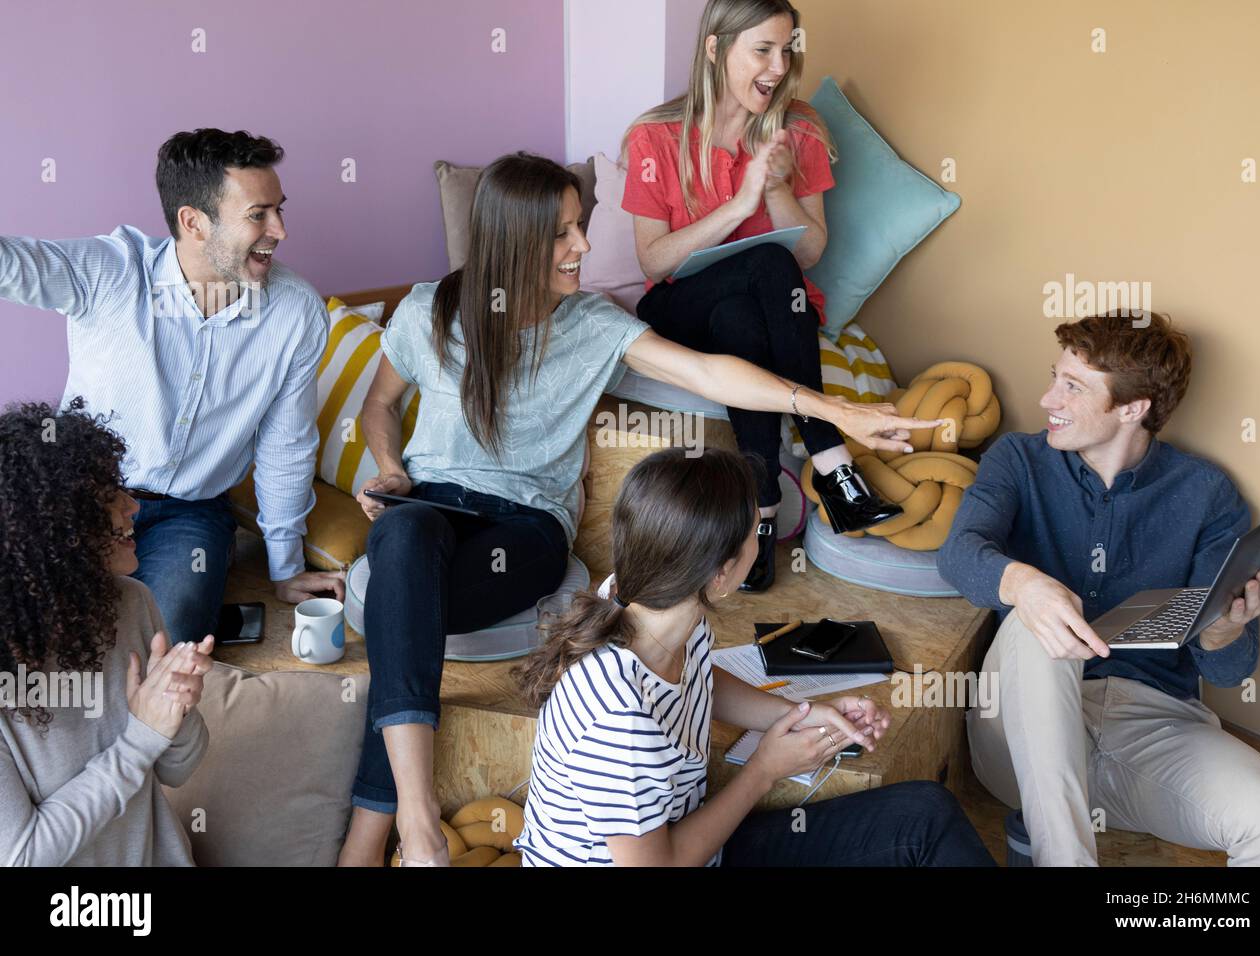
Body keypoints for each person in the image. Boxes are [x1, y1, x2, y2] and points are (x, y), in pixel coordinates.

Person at [336, 152, 938, 867]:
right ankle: (411, 816)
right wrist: (390, 468)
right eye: (562, 234)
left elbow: (709, 372)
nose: (583, 247)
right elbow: (379, 404)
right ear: (514, 240)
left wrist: (831, 411)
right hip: (430, 510)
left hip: (524, 527)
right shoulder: (427, 309)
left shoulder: (590, 323)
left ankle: (377, 834)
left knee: (399, 605)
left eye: (579, 228)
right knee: (402, 542)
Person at [512, 447, 994, 866]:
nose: (762, 538)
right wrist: (764, 770)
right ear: (721, 575)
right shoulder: (617, 717)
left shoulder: (645, 596)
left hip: (697, 848)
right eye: (755, 532)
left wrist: (800, 715)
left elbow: (698, 680)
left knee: (923, 815)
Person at [937, 311, 1260, 866]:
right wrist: (1027, 585)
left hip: (1152, 734)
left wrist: (1227, 627)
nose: (1046, 399)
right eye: (1055, 377)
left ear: (1133, 409)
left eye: (1072, 387)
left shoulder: (1206, 494)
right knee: (1048, 619)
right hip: (1021, 734)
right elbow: (958, 554)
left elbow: (1230, 673)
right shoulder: (1018, 459)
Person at [0, 128, 344, 647]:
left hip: (190, 514)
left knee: (165, 637)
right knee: (36, 630)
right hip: (85, 497)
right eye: (258, 214)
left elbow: (286, 445)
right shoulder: (110, 271)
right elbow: (13, 266)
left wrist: (284, 566)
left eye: (280, 209)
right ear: (193, 221)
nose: (280, 230)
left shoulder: (296, 312)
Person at [622, 0, 900, 593]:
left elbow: (810, 253)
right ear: (715, 49)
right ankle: (832, 462)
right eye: (763, 50)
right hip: (677, 308)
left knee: (744, 319)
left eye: (787, 49)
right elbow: (653, 260)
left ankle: (762, 513)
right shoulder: (654, 136)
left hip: (769, 309)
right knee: (763, 264)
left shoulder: (798, 131)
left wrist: (775, 190)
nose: (778, 66)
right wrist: (739, 206)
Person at [0, 399, 213, 866]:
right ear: (48, 529)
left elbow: (177, 770)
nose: (133, 506)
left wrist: (175, 708)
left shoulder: (131, 602)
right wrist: (140, 737)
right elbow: (21, 856)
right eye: (107, 498)